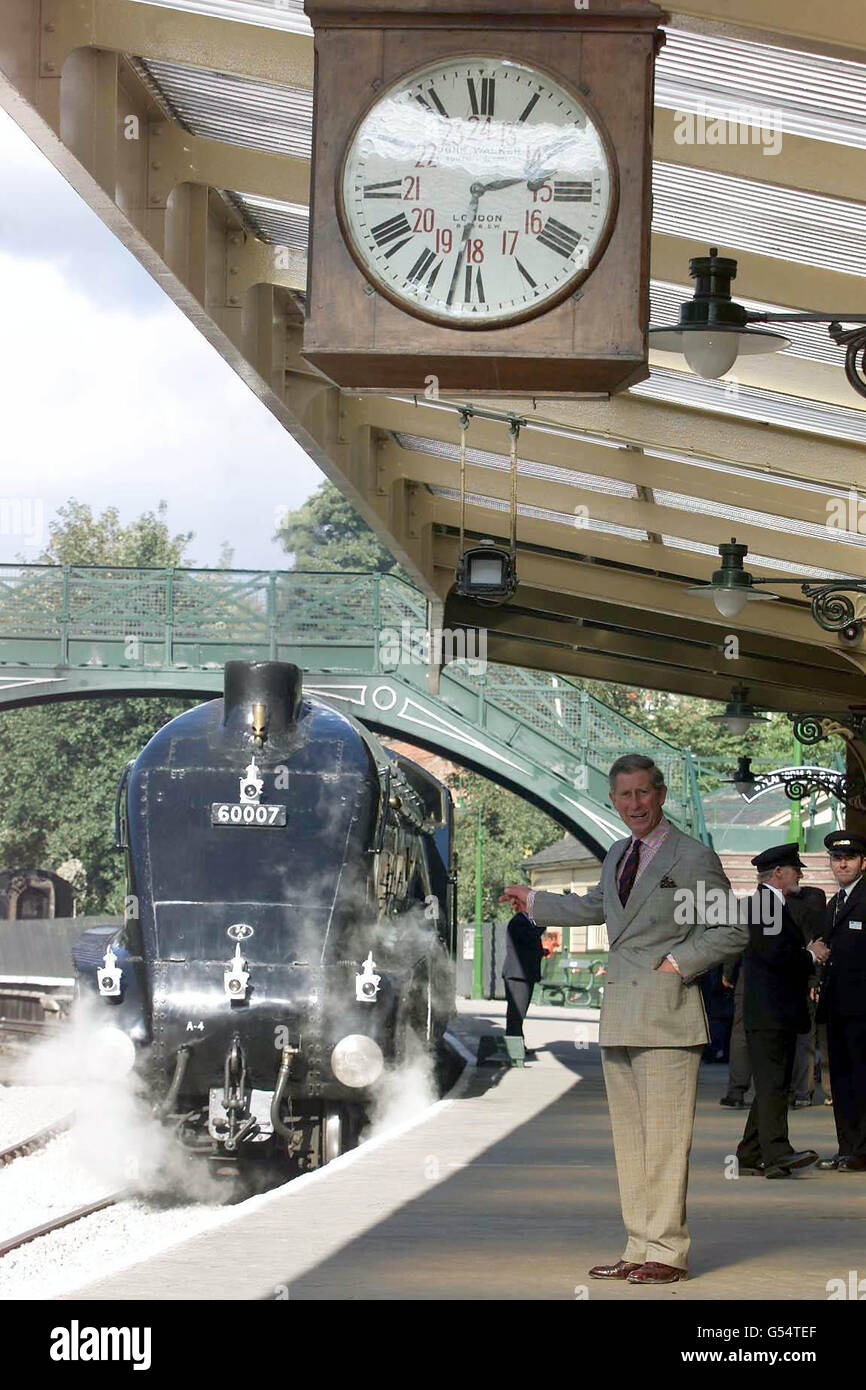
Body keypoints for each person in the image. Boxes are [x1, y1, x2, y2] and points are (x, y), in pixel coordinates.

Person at [503, 753, 752, 1285]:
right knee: (631, 1142)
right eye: (624, 796)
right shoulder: (618, 853)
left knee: (664, 1141)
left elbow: (732, 930)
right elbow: (596, 906)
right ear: (613, 801)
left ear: (660, 795)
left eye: (643, 793)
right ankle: (639, 1245)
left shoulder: (691, 857)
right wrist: (535, 901)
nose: (634, 804)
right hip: (619, 1016)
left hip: (667, 1016)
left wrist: (679, 964)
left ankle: (668, 1251)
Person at [731, 844, 828, 1179]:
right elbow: (778, 956)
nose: (800, 875)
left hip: (772, 1010)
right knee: (774, 1085)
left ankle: (750, 1152)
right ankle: (777, 1153)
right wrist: (811, 954)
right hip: (771, 1010)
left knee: (773, 1083)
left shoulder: (767, 904)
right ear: (778, 874)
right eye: (795, 869)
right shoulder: (767, 906)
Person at [816, 831, 866, 1172]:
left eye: (849, 858)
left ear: (864, 862)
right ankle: (847, 1147)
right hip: (837, 1006)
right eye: (836, 858)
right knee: (843, 1080)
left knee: (862, 1080)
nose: (842, 863)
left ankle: (861, 1150)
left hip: (863, 1007)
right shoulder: (834, 904)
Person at [786, 883, 827, 1107]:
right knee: (807, 1039)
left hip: (794, 984)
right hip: (809, 984)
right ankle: (804, 1090)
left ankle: (798, 1090)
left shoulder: (791, 917)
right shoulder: (819, 921)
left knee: (801, 1039)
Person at [501, 910, 545, 1041]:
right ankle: (514, 1045)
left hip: (523, 974)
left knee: (519, 1013)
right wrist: (542, 925)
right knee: (516, 1013)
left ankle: (517, 1043)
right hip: (517, 975)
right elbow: (527, 938)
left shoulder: (525, 921)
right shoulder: (519, 921)